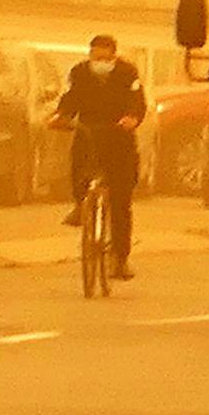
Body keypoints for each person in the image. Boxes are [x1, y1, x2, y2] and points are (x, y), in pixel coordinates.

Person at [59, 33, 147, 282]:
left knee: (121, 200)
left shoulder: (128, 73)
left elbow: (137, 100)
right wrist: (62, 115)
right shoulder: (79, 73)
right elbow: (70, 98)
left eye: (104, 54)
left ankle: (120, 258)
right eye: (95, 53)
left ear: (113, 54)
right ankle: (79, 206)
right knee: (78, 168)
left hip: (119, 137)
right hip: (89, 133)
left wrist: (132, 118)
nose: (100, 58)